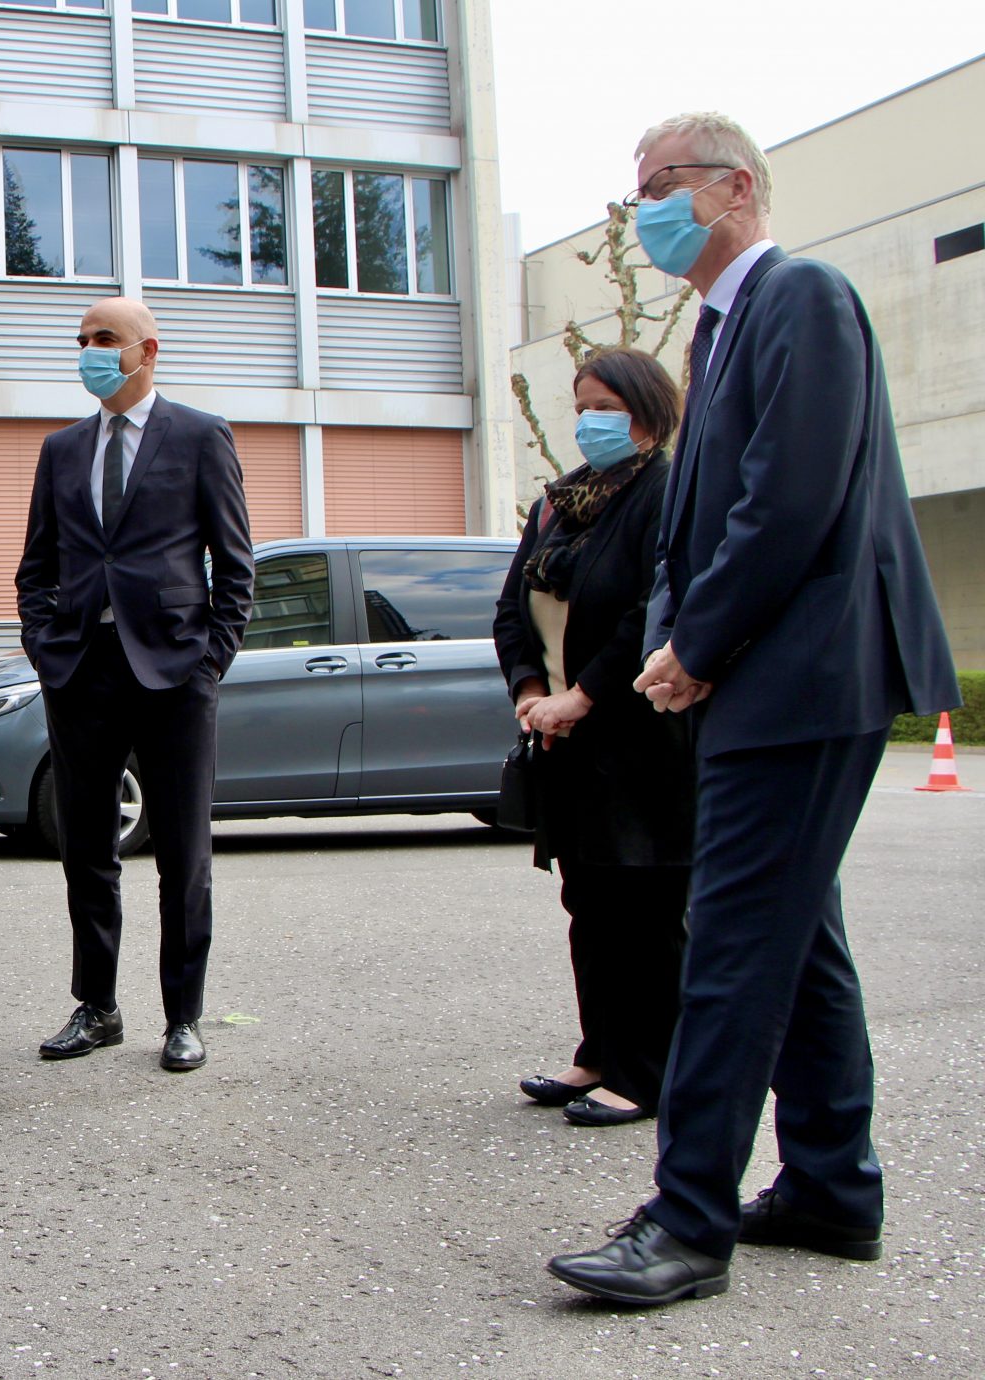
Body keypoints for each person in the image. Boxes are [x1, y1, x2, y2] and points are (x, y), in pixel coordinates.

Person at [548, 114, 959, 1306]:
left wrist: (696, 642)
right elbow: (696, 519)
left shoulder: (799, 297)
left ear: (732, 186)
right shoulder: (717, 330)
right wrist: (674, 638)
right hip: (760, 676)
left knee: (728, 942)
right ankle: (830, 1188)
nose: (641, 212)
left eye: (657, 187)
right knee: (798, 940)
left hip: (802, 675)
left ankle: (684, 1223)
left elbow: (787, 499)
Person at [15, 296, 253, 1073]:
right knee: (87, 847)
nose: (89, 350)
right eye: (82, 339)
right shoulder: (61, 448)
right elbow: (36, 567)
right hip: (81, 670)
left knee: (183, 854)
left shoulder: (200, 435)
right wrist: (46, 647)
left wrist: (210, 660)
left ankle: (184, 1016)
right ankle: (97, 1007)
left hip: (175, 670)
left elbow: (235, 564)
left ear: (147, 350)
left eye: (104, 338)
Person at [494, 347, 694, 1130]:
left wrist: (583, 696)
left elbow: (650, 610)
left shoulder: (665, 491)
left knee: (645, 909)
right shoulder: (559, 504)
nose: (589, 421)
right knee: (590, 902)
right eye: (581, 407)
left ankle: (649, 1074)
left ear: (647, 411)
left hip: (640, 737)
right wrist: (532, 692)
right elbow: (511, 611)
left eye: (605, 406)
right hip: (563, 739)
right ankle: (600, 1052)